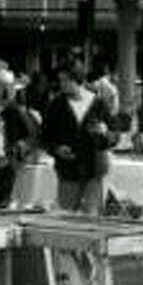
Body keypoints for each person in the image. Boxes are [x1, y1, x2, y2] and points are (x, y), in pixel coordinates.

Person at [41, 63, 118, 214]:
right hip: (68, 169)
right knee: (67, 214)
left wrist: (105, 134)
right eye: (60, 80)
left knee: (91, 215)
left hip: (95, 169)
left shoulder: (99, 103)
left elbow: (115, 136)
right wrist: (57, 149)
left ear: (78, 80)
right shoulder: (56, 105)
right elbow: (44, 137)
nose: (61, 84)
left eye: (65, 80)